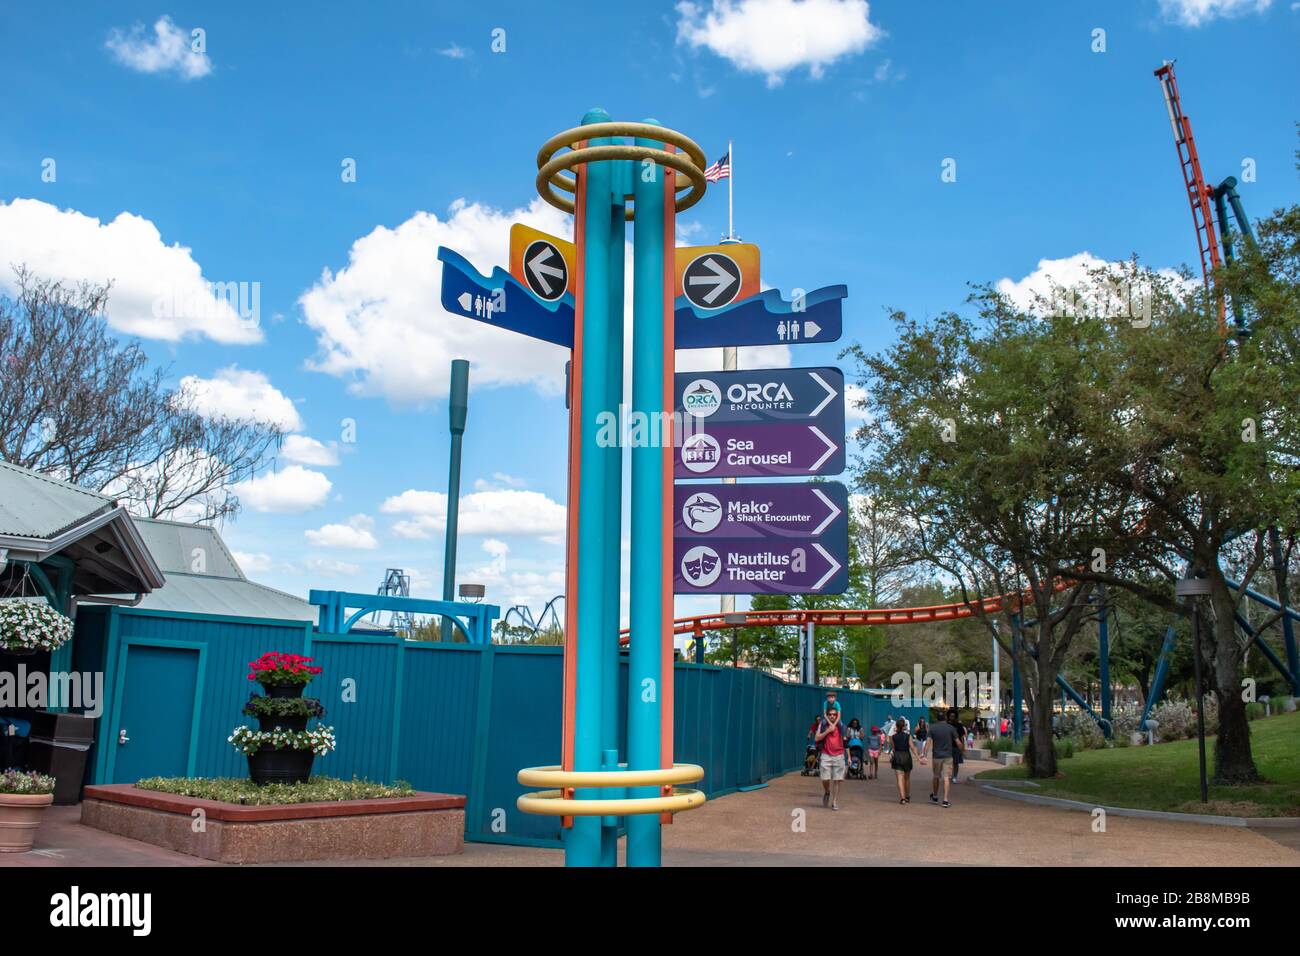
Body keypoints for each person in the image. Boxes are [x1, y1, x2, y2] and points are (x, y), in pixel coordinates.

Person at [925, 708, 964, 808]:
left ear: (937, 718)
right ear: (945, 718)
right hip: (948, 756)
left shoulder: (932, 728)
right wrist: (962, 751)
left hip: (937, 756)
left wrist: (924, 755)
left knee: (936, 776)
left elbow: (928, 742)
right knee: (947, 777)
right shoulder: (951, 728)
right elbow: (958, 742)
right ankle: (945, 800)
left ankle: (935, 795)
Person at [814, 707, 849, 810]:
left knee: (837, 780)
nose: (832, 716)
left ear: (837, 715)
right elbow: (816, 738)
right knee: (825, 778)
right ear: (827, 715)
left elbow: (846, 742)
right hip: (826, 755)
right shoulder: (823, 725)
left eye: (834, 714)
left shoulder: (842, 726)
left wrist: (849, 757)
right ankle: (827, 791)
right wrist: (827, 731)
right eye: (830, 714)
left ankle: (834, 802)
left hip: (839, 755)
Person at [889, 718, 921, 804]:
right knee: (907, 778)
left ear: (896, 726)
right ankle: (907, 796)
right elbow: (912, 747)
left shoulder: (893, 737)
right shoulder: (908, 736)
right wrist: (918, 757)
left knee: (899, 778)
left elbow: (893, 748)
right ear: (904, 727)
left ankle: (902, 798)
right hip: (906, 756)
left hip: (897, 756)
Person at [949, 712, 967, 782]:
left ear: (955, 717)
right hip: (948, 746)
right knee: (948, 762)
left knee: (956, 763)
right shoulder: (947, 725)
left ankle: (954, 777)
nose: (952, 717)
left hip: (957, 746)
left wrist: (963, 747)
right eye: (950, 716)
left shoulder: (959, 726)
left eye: (953, 716)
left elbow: (962, 737)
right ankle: (950, 775)